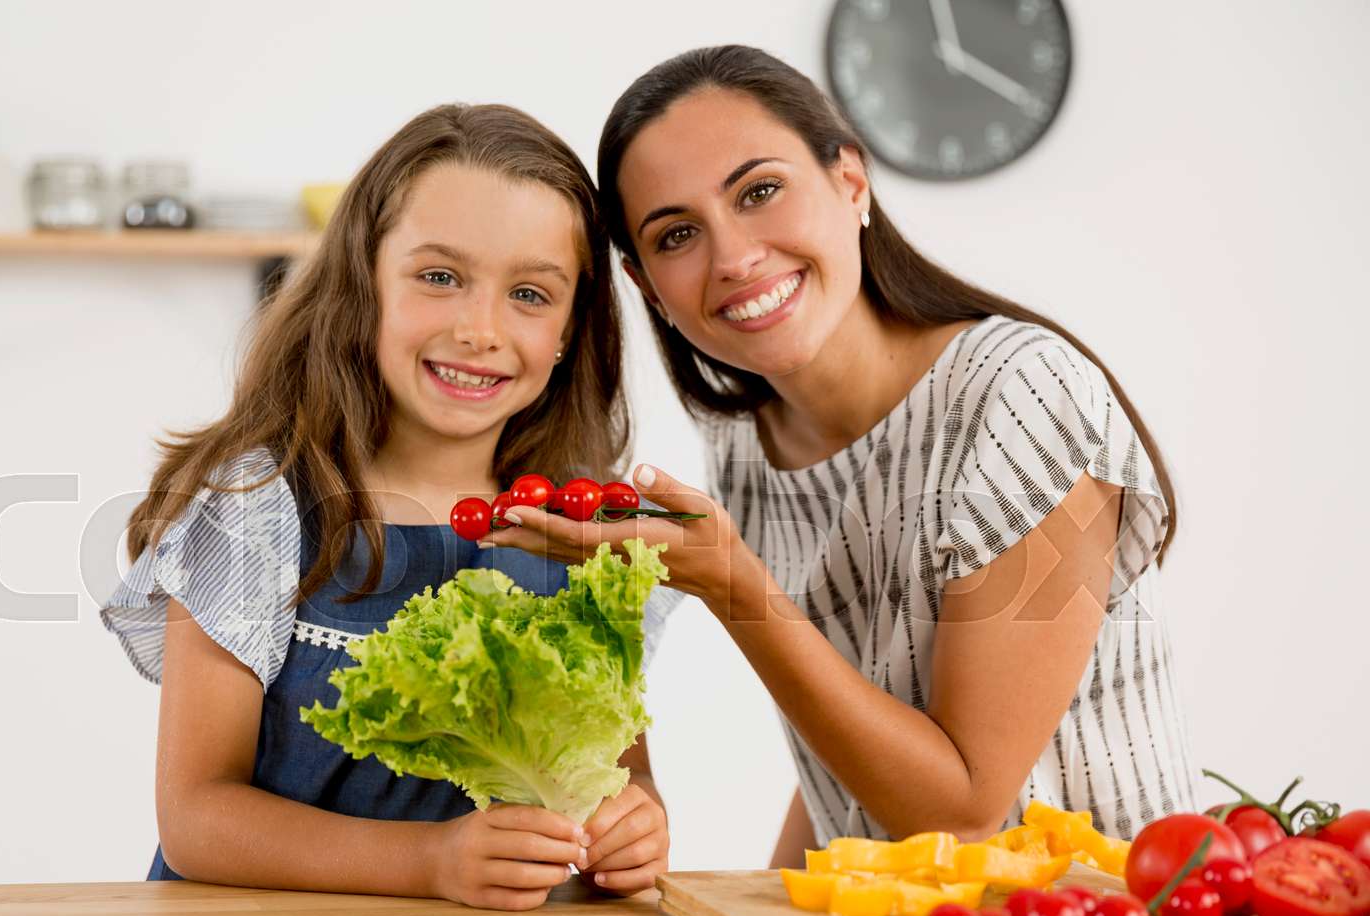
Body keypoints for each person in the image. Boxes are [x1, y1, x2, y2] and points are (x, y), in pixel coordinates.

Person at [484, 46, 1194, 863]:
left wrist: (731, 584)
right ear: (649, 289)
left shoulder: (1027, 397)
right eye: (678, 234)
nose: (734, 257)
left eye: (759, 192)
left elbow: (961, 808)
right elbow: (856, 738)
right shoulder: (746, 443)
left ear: (850, 183)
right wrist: (772, 911)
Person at [101, 103, 671, 909]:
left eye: (531, 294)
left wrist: (633, 825)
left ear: (574, 329)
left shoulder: (590, 530)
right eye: (440, 278)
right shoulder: (259, 507)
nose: (480, 328)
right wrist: (430, 862)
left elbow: (624, 778)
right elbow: (196, 817)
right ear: (363, 282)